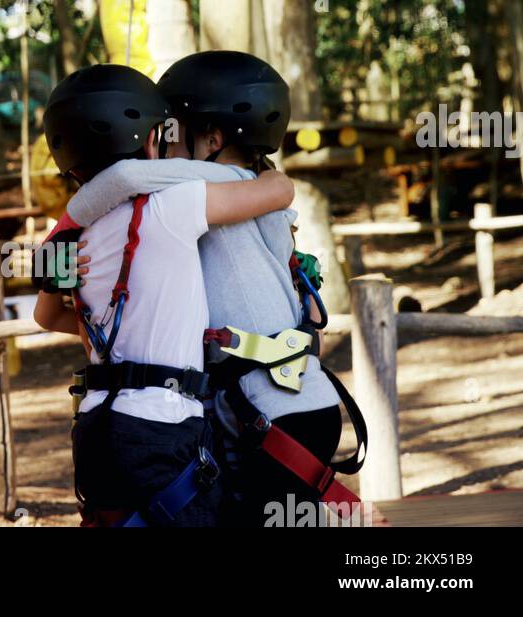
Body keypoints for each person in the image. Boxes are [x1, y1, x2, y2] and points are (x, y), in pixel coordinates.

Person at [62, 51, 365, 527]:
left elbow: (122, 177)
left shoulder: (204, 193)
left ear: (212, 138)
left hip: (265, 416)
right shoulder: (248, 191)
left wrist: (66, 230)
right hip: (297, 405)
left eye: (173, 133)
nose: (164, 147)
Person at [32, 63, 295, 527]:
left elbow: (46, 315)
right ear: (148, 139)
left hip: (94, 429)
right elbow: (277, 191)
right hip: (161, 428)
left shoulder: (73, 236)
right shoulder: (171, 207)